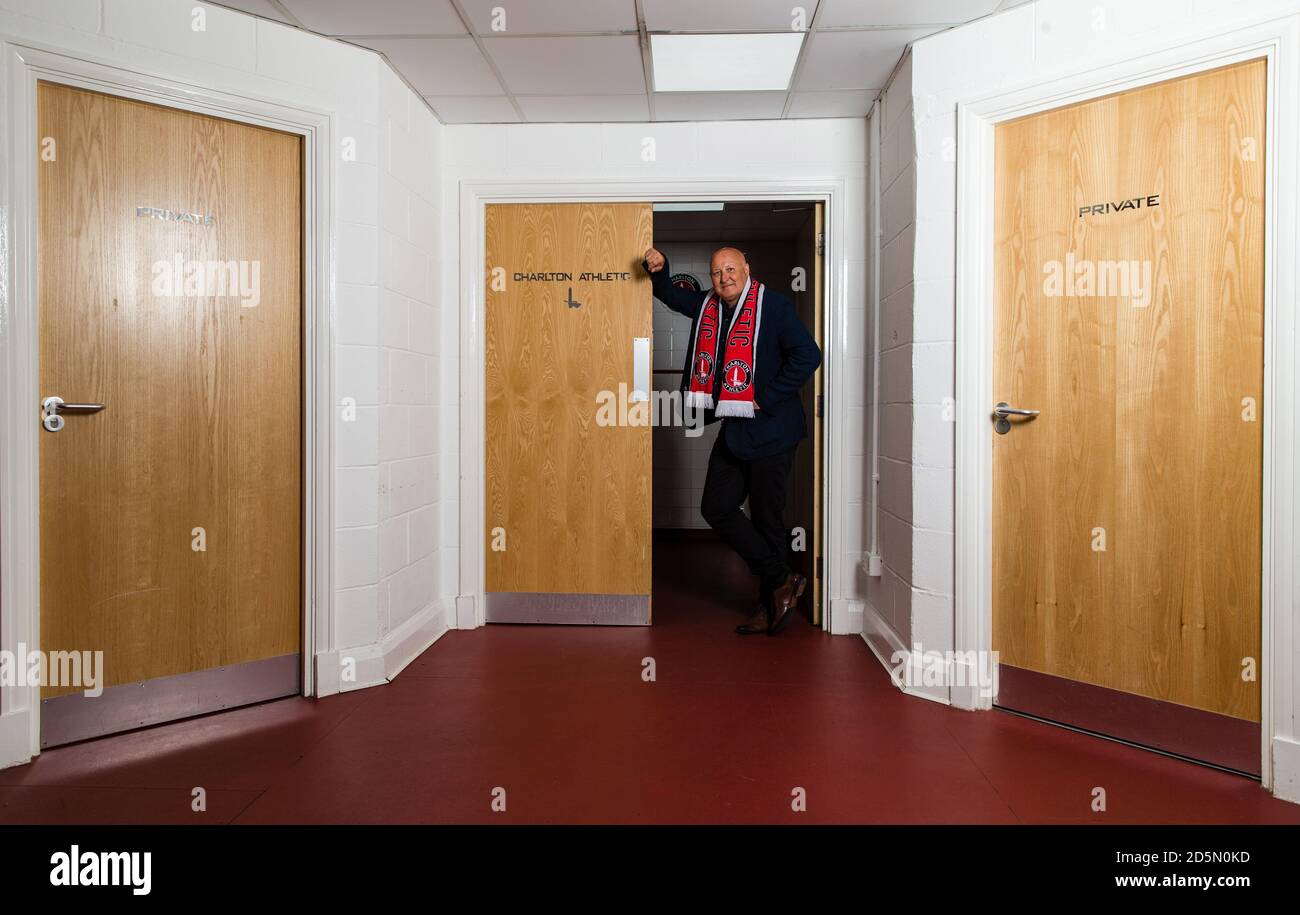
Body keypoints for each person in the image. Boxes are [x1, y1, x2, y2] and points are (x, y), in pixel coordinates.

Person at [643, 245, 822, 635]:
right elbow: (672, 296)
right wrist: (659, 270)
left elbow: (808, 355)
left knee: (768, 521)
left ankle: (768, 605)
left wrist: (764, 397)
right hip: (736, 428)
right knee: (716, 506)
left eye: (731, 269)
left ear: (747, 269)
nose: (724, 277)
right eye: (717, 272)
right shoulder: (709, 307)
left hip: (773, 431)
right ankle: (781, 581)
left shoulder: (773, 308)